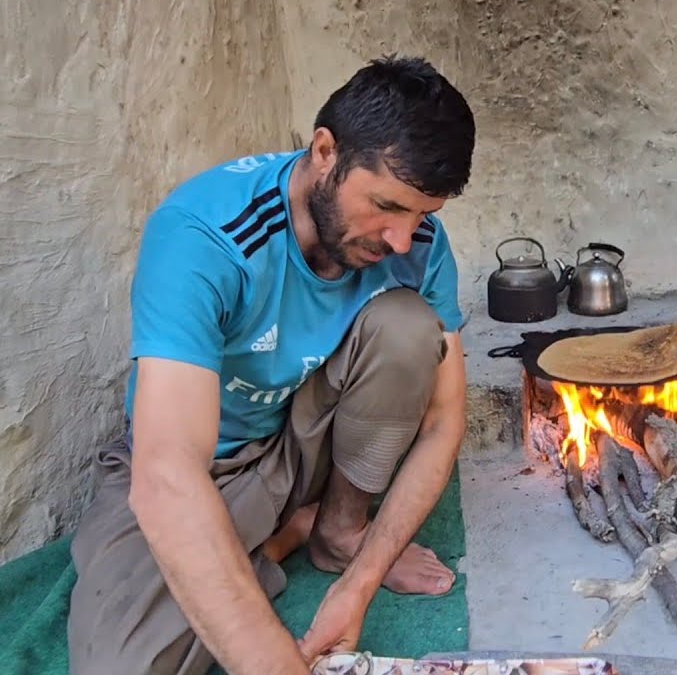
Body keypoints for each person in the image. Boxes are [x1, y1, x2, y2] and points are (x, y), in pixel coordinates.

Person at [67, 56, 476, 675]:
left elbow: (445, 425)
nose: (401, 237)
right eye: (387, 205)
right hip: (208, 461)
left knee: (408, 327)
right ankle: (279, 537)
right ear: (324, 151)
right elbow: (167, 472)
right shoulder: (205, 234)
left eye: (423, 215)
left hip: (306, 440)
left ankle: (338, 535)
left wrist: (359, 584)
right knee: (121, 663)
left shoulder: (417, 246)